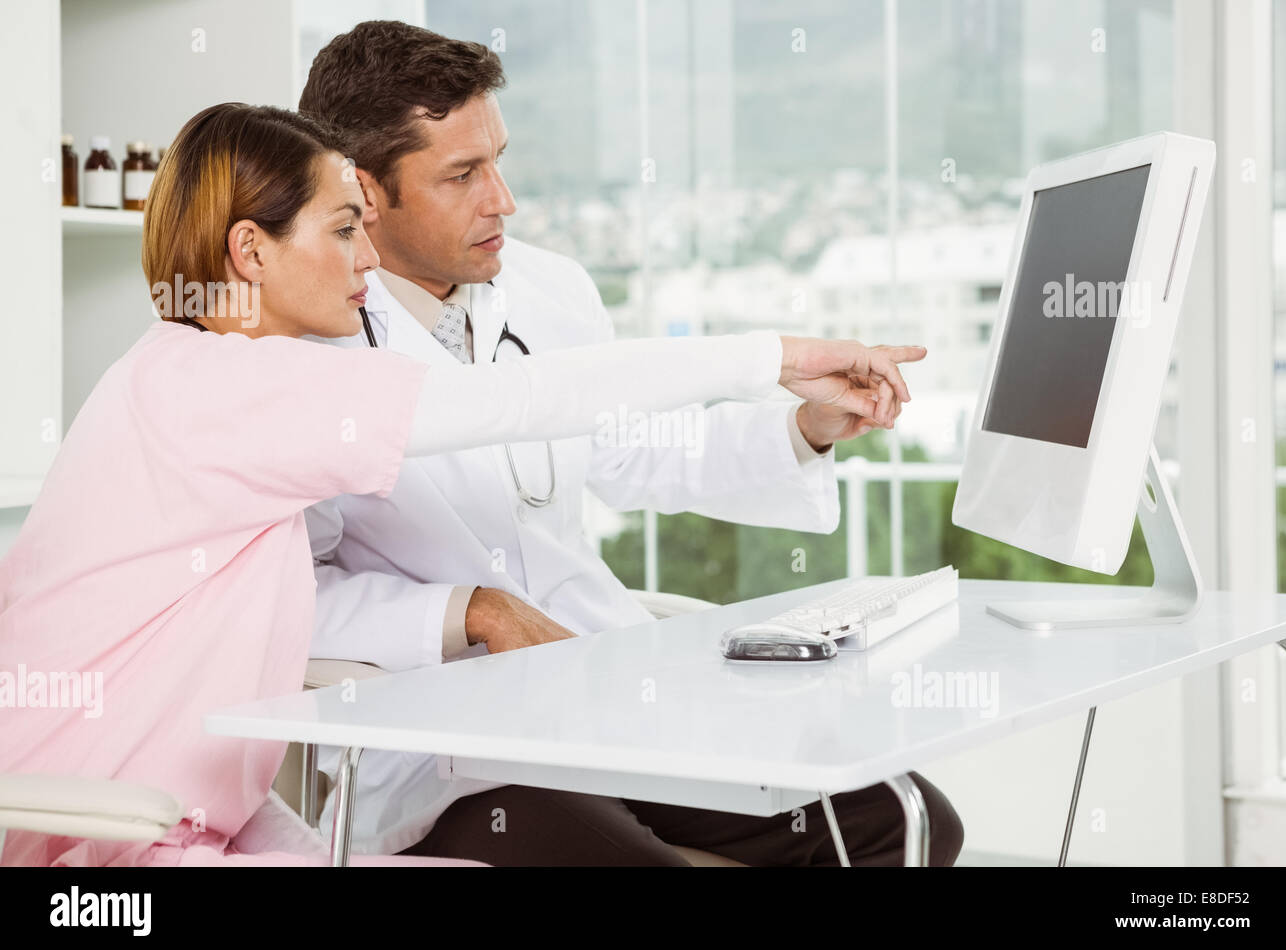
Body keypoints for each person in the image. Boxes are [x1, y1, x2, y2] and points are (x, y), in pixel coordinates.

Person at [0, 102, 910, 867]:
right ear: (252, 251)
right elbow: (522, 400)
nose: (367, 259)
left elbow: (214, 786)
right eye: (345, 228)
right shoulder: (219, 385)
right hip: (89, 851)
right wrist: (778, 354)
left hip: (173, 826)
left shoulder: (200, 371)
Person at [296, 21, 960, 866]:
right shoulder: (310, 343)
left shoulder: (546, 288)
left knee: (903, 822)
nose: (503, 200)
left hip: (605, 690)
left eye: (498, 159)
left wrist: (802, 428)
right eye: (463, 175)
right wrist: (466, 613)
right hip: (452, 746)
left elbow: (639, 449)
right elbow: (292, 600)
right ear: (363, 191)